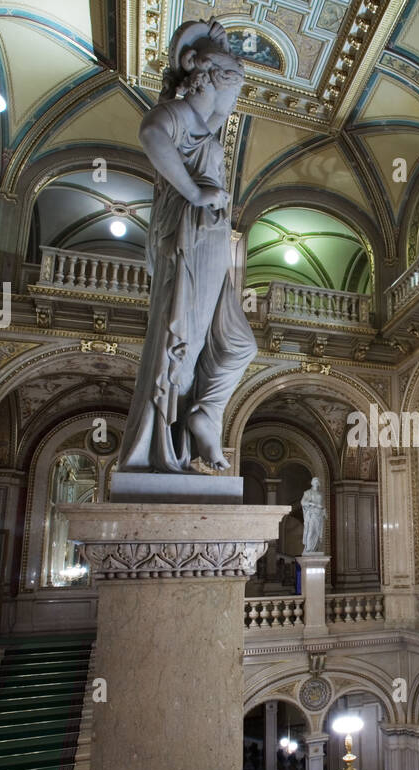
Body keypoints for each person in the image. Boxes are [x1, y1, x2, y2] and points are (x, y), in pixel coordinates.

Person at [120, 19, 256, 473]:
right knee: (188, 342)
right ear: (210, 82)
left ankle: (205, 414)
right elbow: (151, 134)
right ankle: (165, 445)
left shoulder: (205, 129)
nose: (233, 104)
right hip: (192, 237)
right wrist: (196, 193)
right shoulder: (178, 116)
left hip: (212, 240)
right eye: (232, 91)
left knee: (238, 345)